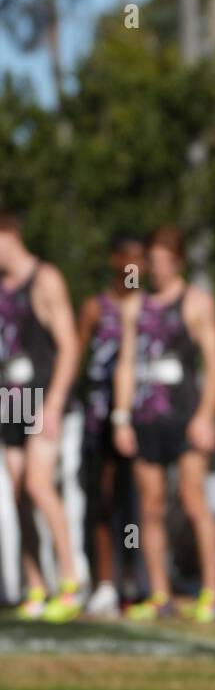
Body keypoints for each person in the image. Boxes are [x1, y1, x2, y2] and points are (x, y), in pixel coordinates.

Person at [112, 226, 215, 622]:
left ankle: (211, 592)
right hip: (145, 418)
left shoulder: (196, 302)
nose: (154, 268)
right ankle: (160, 594)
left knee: (194, 500)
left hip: (185, 416)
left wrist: (207, 415)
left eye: (161, 261)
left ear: (176, 261)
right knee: (151, 508)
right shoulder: (133, 306)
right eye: (150, 260)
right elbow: (126, 363)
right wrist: (121, 418)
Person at [0, 209, 83, 621]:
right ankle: (36, 585)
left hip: (43, 398)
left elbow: (69, 345)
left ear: (9, 233)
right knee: (17, 495)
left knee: (37, 485)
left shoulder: (45, 278)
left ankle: (70, 579)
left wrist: (52, 403)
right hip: (11, 400)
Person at [77, 235, 146, 617]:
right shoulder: (95, 307)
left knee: (136, 505)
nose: (133, 267)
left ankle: (134, 580)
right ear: (114, 260)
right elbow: (76, 354)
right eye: (128, 258)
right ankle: (105, 582)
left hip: (144, 418)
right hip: (100, 418)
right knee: (103, 501)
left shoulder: (148, 309)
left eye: (140, 259)